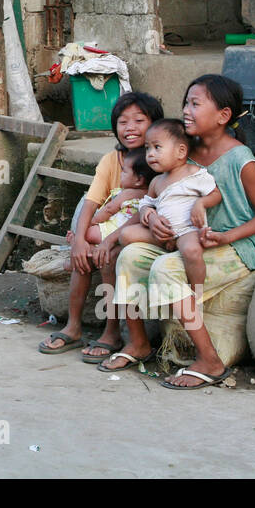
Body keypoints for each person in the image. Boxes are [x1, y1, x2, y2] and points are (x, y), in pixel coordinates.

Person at [99, 74, 255, 390]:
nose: (186, 110)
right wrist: (149, 215)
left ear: (223, 116)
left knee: (166, 269)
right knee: (129, 256)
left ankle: (210, 360)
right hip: (186, 239)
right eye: (186, 102)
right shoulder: (184, 152)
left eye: (195, 104)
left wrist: (227, 237)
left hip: (231, 246)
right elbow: (156, 194)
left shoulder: (240, 160)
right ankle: (138, 342)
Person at [38, 91, 163, 361]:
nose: (130, 128)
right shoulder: (111, 160)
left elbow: (144, 210)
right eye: (123, 122)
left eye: (139, 120)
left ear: (155, 124)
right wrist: (80, 241)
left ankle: (111, 332)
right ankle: (73, 327)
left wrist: (108, 240)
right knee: (83, 256)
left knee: (109, 258)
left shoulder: (158, 160)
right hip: (110, 226)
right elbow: (91, 201)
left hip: (139, 231)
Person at [113, 119, 222, 259]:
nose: (150, 153)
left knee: (191, 250)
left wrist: (201, 203)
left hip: (186, 232)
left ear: (180, 151)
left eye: (157, 147)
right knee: (125, 234)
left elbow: (216, 193)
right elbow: (146, 203)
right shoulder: (157, 181)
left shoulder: (193, 173)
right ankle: (168, 243)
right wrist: (149, 214)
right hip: (161, 234)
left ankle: (196, 282)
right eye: (147, 148)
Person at [81, 147, 154, 249]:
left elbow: (109, 209)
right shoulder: (149, 193)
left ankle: (79, 241)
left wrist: (92, 222)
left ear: (139, 180)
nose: (120, 174)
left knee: (87, 233)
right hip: (130, 233)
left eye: (124, 171)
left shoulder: (128, 193)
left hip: (114, 228)